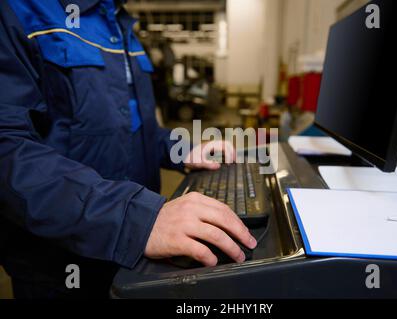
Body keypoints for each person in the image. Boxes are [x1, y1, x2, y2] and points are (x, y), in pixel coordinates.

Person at [0, 0, 257, 299]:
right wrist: (132, 218)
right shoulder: (19, 10)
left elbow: (132, 125)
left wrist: (182, 149)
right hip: (61, 266)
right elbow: (8, 149)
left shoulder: (121, 24)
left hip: (134, 254)